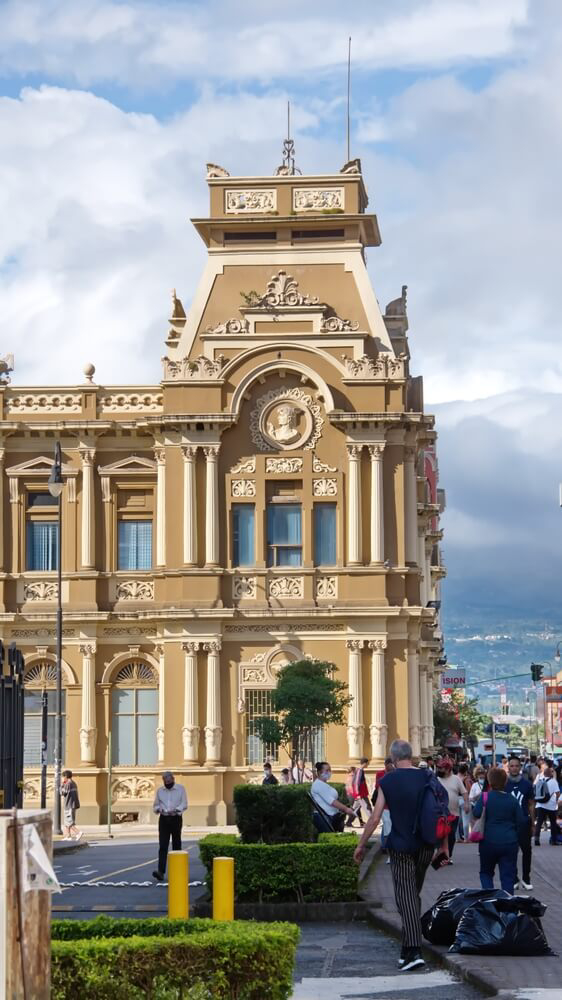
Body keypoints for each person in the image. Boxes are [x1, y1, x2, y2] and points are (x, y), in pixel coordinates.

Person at [354, 739, 448, 973]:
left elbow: (375, 818)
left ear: (393, 758)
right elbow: (443, 812)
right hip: (426, 845)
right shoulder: (428, 776)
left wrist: (361, 844)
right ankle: (407, 951)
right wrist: (444, 846)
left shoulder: (388, 780)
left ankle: (414, 950)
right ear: (412, 755)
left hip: (401, 846)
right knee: (411, 896)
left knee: (405, 896)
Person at [472, 766, 528, 894]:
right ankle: (507, 908)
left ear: (490, 782)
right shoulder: (512, 800)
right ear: (505, 782)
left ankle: (490, 902)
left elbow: (476, 812)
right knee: (508, 876)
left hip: (488, 841)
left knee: (486, 873)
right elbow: (521, 821)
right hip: (509, 842)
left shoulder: (485, 797)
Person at [505, 755, 535, 889]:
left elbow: (531, 804)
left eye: (517, 765)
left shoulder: (527, 785)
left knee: (527, 851)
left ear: (520, 767)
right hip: (509, 824)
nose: (514, 768)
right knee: (511, 852)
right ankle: (515, 878)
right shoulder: (504, 784)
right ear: (508, 767)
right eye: (512, 766)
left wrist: (533, 823)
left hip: (524, 822)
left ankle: (526, 879)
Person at [152, 771, 188, 882]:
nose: (167, 783)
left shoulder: (180, 789)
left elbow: (184, 804)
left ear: (173, 779)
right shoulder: (160, 791)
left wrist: (176, 810)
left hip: (175, 818)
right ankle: (161, 872)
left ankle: (177, 871)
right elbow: (155, 806)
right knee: (163, 845)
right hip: (164, 819)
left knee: (176, 844)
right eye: (165, 781)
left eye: (169, 781)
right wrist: (159, 809)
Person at [436, 757, 468, 861]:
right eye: (438, 768)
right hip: (439, 814)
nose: (439, 770)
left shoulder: (456, 779)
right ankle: (442, 858)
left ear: (448, 769)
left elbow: (464, 792)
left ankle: (447, 856)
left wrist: (466, 804)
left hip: (454, 814)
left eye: (441, 768)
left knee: (451, 837)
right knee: (440, 836)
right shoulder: (436, 779)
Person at [310, 761, 356, 832]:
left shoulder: (325, 784)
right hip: (324, 818)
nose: (329, 772)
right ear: (319, 772)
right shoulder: (318, 785)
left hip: (332, 817)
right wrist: (346, 809)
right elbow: (332, 801)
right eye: (327, 770)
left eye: (330, 770)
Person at [534, 766, 560, 845]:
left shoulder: (539, 781)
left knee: (539, 823)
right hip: (551, 806)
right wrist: (556, 801)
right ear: (550, 774)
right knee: (553, 823)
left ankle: (536, 840)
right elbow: (558, 793)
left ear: (544, 774)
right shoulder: (553, 781)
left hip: (540, 805)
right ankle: (554, 840)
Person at [61, 770, 83, 841]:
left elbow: (63, 793)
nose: (63, 778)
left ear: (66, 776)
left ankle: (78, 832)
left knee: (69, 822)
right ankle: (68, 836)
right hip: (72, 805)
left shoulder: (68, 783)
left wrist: (61, 785)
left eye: (63, 776)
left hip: (69, 805)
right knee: (67, 821)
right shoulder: (73, 783)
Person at [457, 764, 473, 842]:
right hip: (464, 799)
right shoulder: (465, 779)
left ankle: (457, 838)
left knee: (456, 820)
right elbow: (468, 790)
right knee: (466, 820)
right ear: (466, 771)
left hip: (455, 799)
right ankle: (466, 838)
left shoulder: (455, 777)